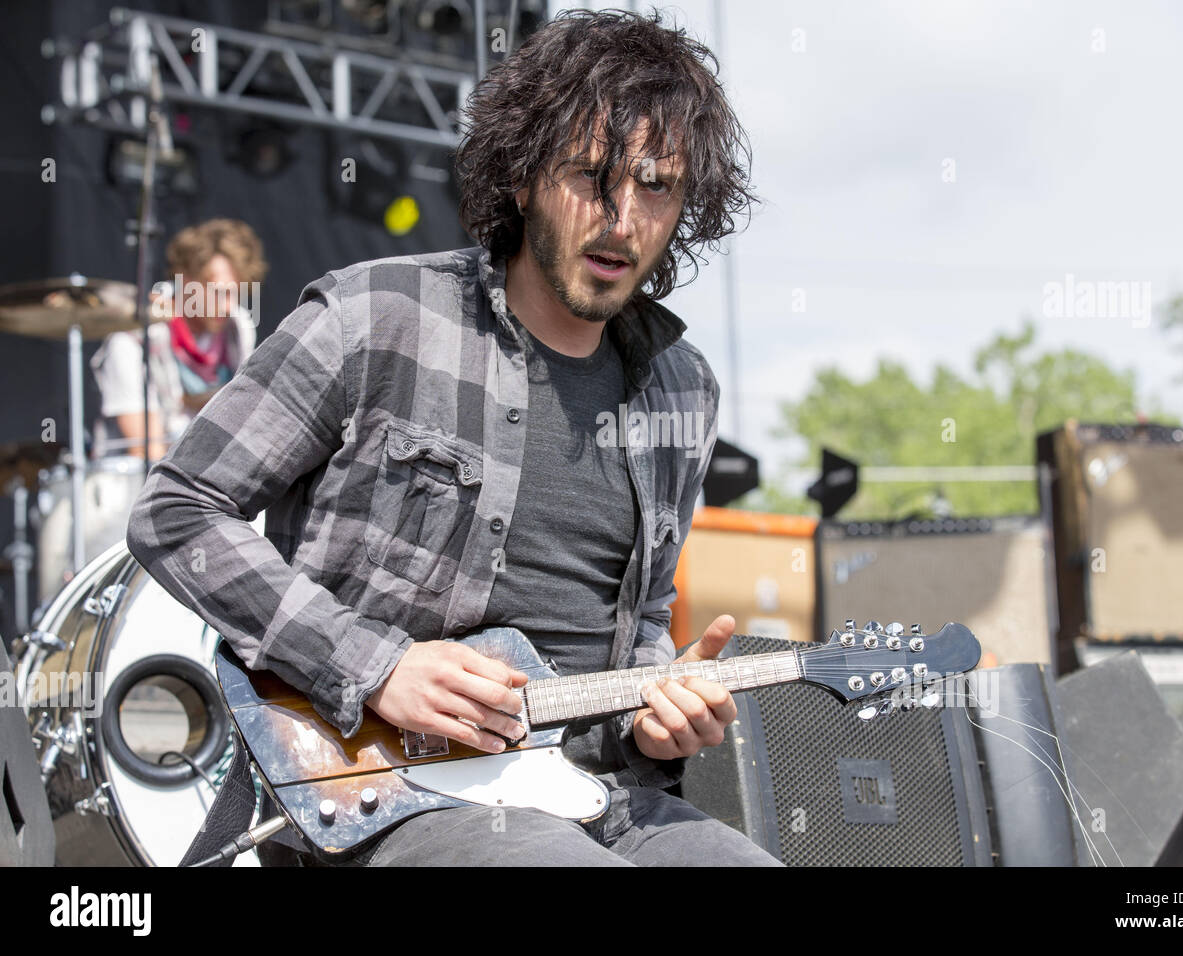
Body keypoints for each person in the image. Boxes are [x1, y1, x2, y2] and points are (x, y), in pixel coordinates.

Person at [127, 9, 776, 866]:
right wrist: (376, 665)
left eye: (657, 186)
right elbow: (177, 511)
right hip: (391, 792)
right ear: (521, 176)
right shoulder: (376, 315)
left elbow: (640, 619)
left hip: (603, 795)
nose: (623, 220)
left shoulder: (682, 385)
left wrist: (659, 725)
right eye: (593, 176)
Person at [91, 218, 265, 461]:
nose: (228, 305)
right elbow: (146, 451)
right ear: (185, 278)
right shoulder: (132, 337)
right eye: (218, 291)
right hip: (145, 486)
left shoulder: (238, 327)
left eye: (236, 293)